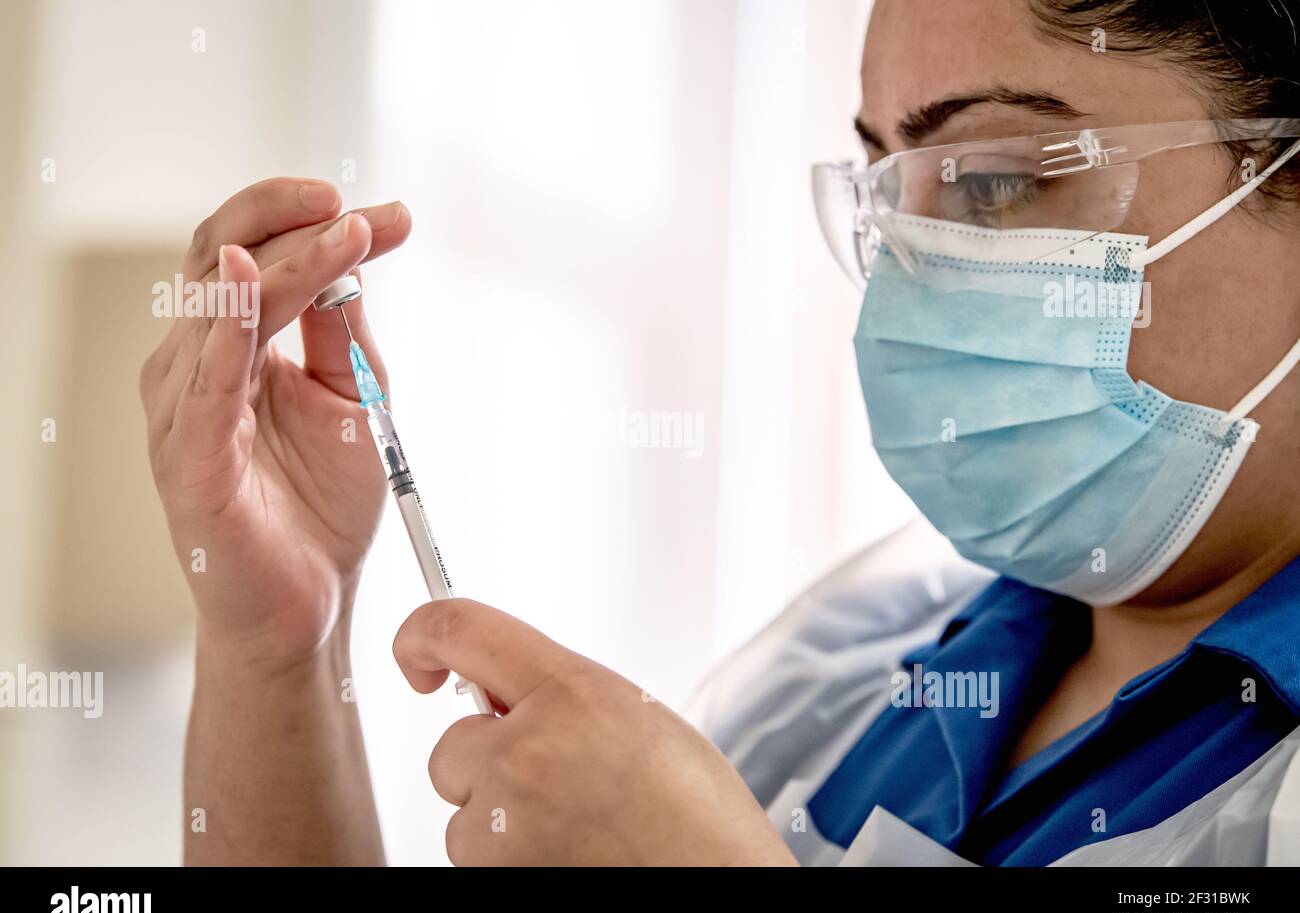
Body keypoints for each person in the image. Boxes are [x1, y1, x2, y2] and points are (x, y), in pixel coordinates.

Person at [140, 0, 1300, 866]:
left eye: (992, 181)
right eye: (884, 187)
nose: (907, 277)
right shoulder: (857, 677)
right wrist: (278, 645)